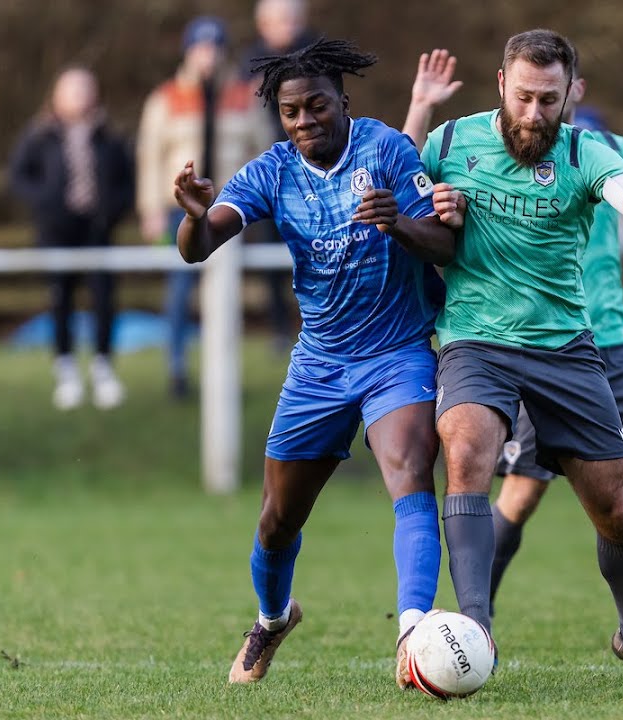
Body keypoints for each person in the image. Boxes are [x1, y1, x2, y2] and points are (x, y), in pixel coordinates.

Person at [402, 46, 623, 648]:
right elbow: (396, 174)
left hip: (579, 348)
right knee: (471, 457)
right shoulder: (452, 142)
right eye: (524, 96)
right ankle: (474, 629)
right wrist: (436, 199)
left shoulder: (591, 149)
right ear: (501, 84)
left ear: (573, 92)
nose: (535, 111)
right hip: (477, 341)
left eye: (549, 99)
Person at [169, 38, 458, 688]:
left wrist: (400, 224)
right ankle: (273, 618)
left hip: (397, 352)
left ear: (342, 101)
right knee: (277, 520)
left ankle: (413, 631)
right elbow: (200, 245)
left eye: (316, 107)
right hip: (319, 367)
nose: (304, 122)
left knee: (411, 473)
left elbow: (444, 243)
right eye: (292, 112)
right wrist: (192, 219)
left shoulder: (386, 150)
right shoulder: (273, 169)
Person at [137, 15, 274, 400]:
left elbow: (262, 151)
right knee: (179, 291)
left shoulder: (243, 96)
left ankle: (224, 372)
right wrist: (149, 209)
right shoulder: (166, 98)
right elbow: (150, 157)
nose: (208, 56)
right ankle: (177, 369)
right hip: (176, 209)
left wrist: (262, 200)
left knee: (227, 292)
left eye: (214, 48)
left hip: (230, 208)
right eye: (200, 48)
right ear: (188, 51)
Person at [9, 65, 133, 411]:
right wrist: (47, 204)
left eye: (85, 89)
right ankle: (66, 371)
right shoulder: (39, 135)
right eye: (72, 90)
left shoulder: (110, 135)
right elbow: (18, 177)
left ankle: (104, 370)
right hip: (57, 233)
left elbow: (127, 179)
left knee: (104, 298)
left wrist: (113, 209)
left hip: (99, 231)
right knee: (60, 299)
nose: (80, 97)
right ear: (57, 95)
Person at [239, 0, 321, 353]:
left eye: (291, 19)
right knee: (270, 249)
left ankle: (318, 321)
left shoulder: (317, 52)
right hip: (271, 167)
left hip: (314, 164)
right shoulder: (249, 63)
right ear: (263, 24)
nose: (286, 26)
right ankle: (278, 327)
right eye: (278, 20)